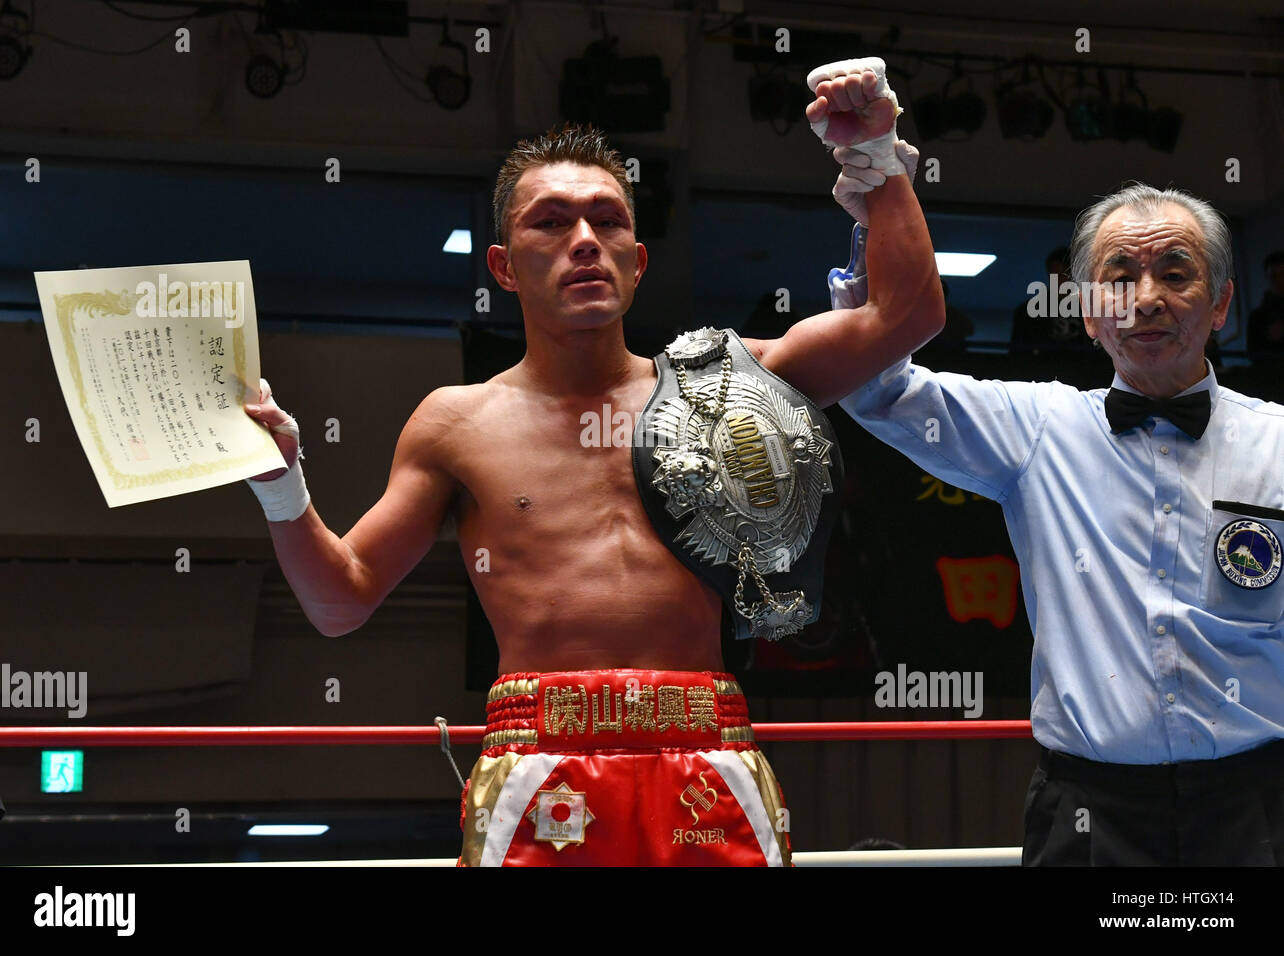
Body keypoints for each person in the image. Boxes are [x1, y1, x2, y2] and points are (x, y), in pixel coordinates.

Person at [240, 61, 943, 866]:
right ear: (503, 266)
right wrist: (281, 485)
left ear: (637, 262)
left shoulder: (731, 381)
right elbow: (341, 601)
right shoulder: (456, 423)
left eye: (607, 221)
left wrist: (877, 156)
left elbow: (907, 312)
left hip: (703, 754)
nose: (584, 241)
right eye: (551, 223)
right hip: (543, 764)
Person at [829, 166, 1284, 865]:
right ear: (1087, 311)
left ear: (1221, 304)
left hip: (1258, 806)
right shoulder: (1038, 427)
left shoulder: (1278, 443)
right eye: (1121, 276)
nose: (1148, 298)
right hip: (1090, 814)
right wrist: (879, 200)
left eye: (1175, 272)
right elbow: (876, 386)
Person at [1246, 249, 1284, 365]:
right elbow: (1252, 354)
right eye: (1274, 276)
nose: (1279, 280)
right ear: (1268, 278)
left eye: (1282, 274)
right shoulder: (1258, 317)